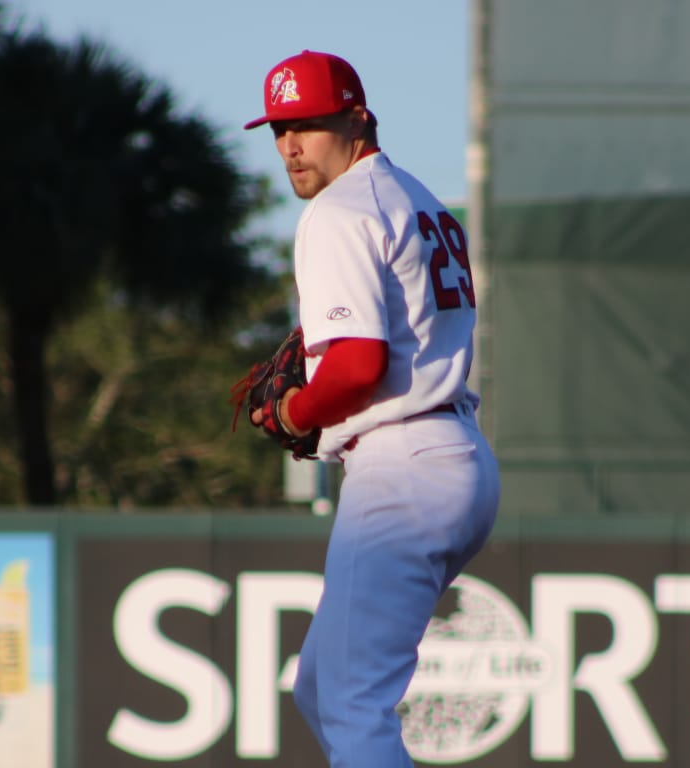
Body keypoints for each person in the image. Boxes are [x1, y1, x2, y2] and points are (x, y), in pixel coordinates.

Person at [242, 49, 501, 767]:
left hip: (403, 465)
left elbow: (357, 365)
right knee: (322, 687)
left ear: (358, 119)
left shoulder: (338, 210)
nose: (291, 145)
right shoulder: (416, 196)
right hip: (452, 457)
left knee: (354, 704)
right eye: (279, 128)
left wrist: (298, 412)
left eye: (310, 125)